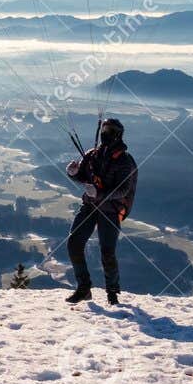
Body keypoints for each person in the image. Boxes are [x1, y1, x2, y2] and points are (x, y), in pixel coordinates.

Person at [64, 117, 138, 305]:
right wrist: (72, 173)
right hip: (90, 205)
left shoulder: (125, 161)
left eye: (110, 131)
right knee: (74, 243)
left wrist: (99, 193)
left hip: (110, 210)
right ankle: (83, 288)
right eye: (104, 129)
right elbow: (83, 176)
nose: (105, 133)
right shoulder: (92, 154)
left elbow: (123, 190)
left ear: (118, 135)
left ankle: (112, 294)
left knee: (107, 251)